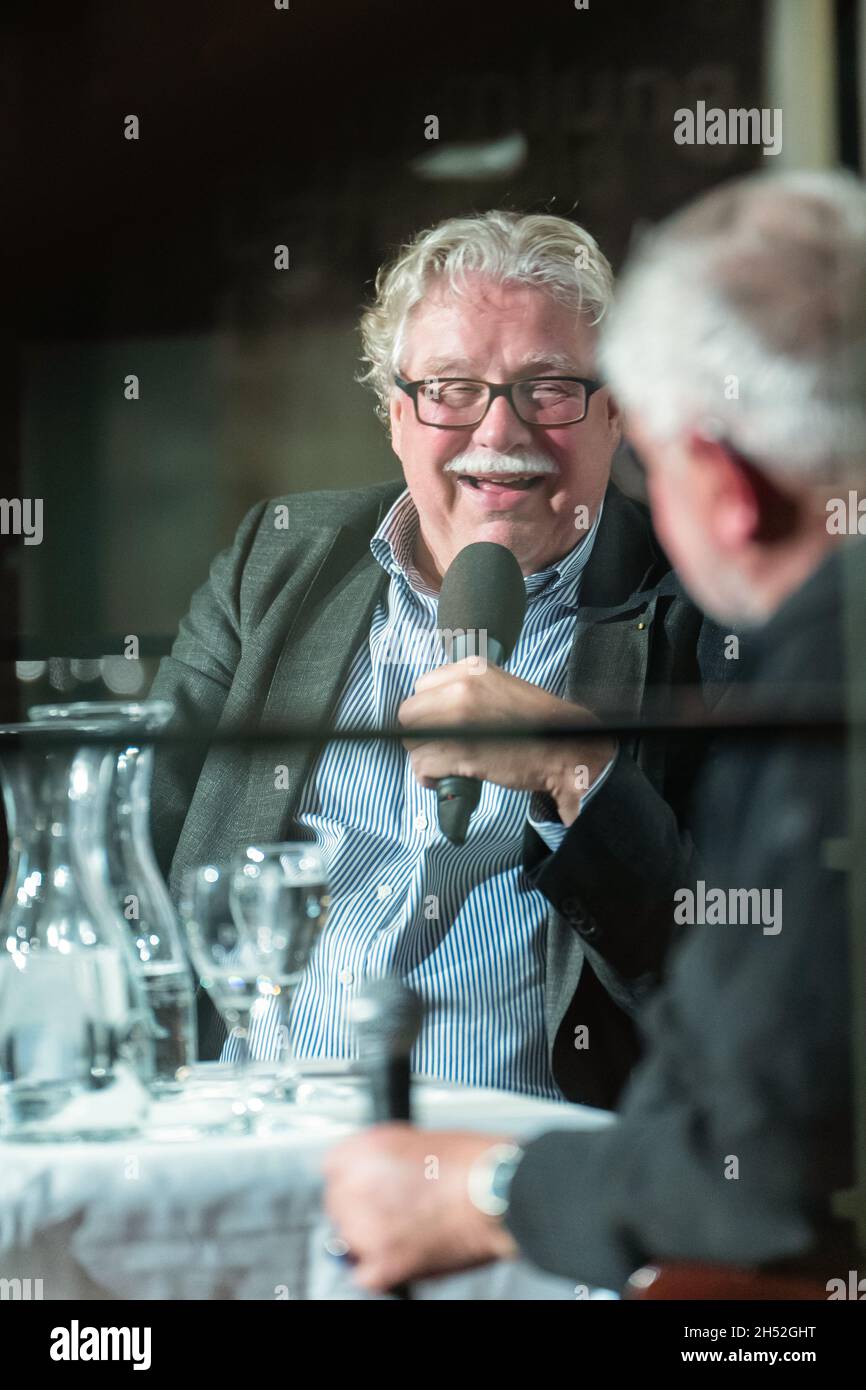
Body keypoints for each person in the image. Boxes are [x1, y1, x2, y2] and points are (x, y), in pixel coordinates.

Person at [323, 168, 866, 1291]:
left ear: (720, 483)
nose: (503, 433)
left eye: (649, 459)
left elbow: (750, 1163)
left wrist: (478, 1192)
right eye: (453, 389)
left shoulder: (810, 681)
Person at [149, 210, 726, 1103]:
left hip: (519, 1159)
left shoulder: (704, 611)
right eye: (452, 389)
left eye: (549, 389)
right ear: (397, 414)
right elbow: (134, 839)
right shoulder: (282, 560)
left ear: (616, 412)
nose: (499, 433)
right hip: (248, 1133)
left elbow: (736, 977)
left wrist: (577, 770)